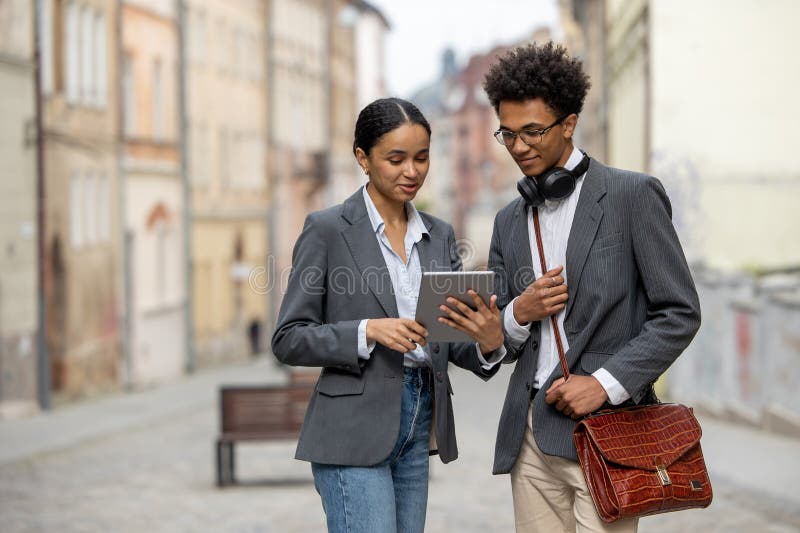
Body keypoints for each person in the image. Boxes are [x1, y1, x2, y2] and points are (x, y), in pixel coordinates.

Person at [481, 42, 701, 532]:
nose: (519, 147)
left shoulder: (632, 196)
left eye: (533, 131)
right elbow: (498, 344)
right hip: (531, 441)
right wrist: (518, 313)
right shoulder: (507, 222)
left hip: (607, 433)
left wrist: (603, 385)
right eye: (508, 134)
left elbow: (679, 312)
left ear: (569, 123)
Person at [271, 97, 505, 533]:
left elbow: (449, 338)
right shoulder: (327, 230)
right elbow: (289, 338)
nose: (411, 171)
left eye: (421, 158)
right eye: (395, 159)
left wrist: (490, 341)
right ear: (363, 158)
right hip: (352, 428)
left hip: (418, 425)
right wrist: (368, 331)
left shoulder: (438, 235)